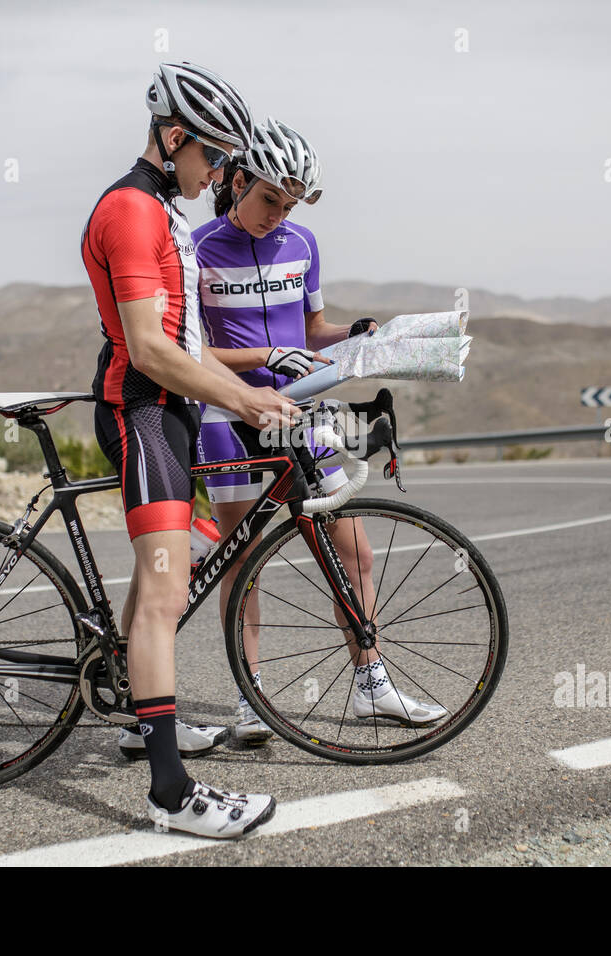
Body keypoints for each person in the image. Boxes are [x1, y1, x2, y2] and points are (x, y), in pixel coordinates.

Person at [79, 62, 301, 838]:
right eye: (212, 157)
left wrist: (250, 390)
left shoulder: (160, 210)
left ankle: (143, 723)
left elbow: (184, 343)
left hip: (167, 407)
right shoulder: (134, 212)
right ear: (175, 139)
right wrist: (243, 398)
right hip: (142, 410)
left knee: (157, 583)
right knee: (169, 592)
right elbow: (147, 348)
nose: (218, 175)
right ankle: (171, 795)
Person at [191, 116, 448, 745]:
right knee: (242, 563)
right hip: (230, 418)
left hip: (297, 417)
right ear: (237, 180)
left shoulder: (301, 244)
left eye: (290, 204)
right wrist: (263, 359)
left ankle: (372, 683)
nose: (277, 215)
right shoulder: (196, 248)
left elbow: (312, 334)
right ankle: (251, 700)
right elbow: (189, 353)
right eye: (268, 199)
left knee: (352, 552)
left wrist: (357, 336)